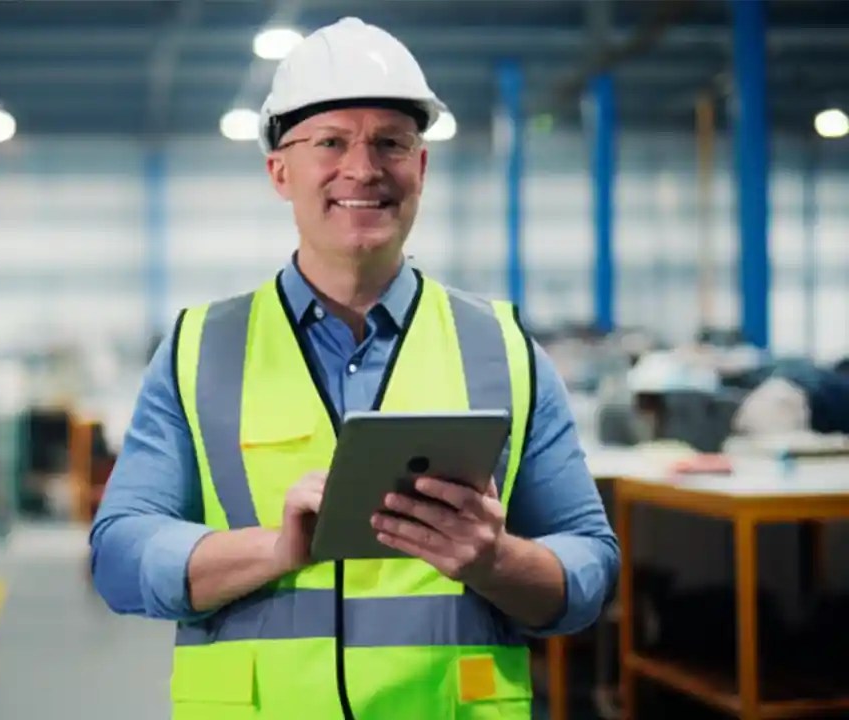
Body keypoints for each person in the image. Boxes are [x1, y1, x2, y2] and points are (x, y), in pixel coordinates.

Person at [89, 16, 619, 720]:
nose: (363, 169)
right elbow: (122, 555)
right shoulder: (198, 350)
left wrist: (494, 561)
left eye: (391, 143)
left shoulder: (504, 349)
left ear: (421, 168)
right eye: (331, 142)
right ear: (280, 171)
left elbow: (589, 565)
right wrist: (273, 550)